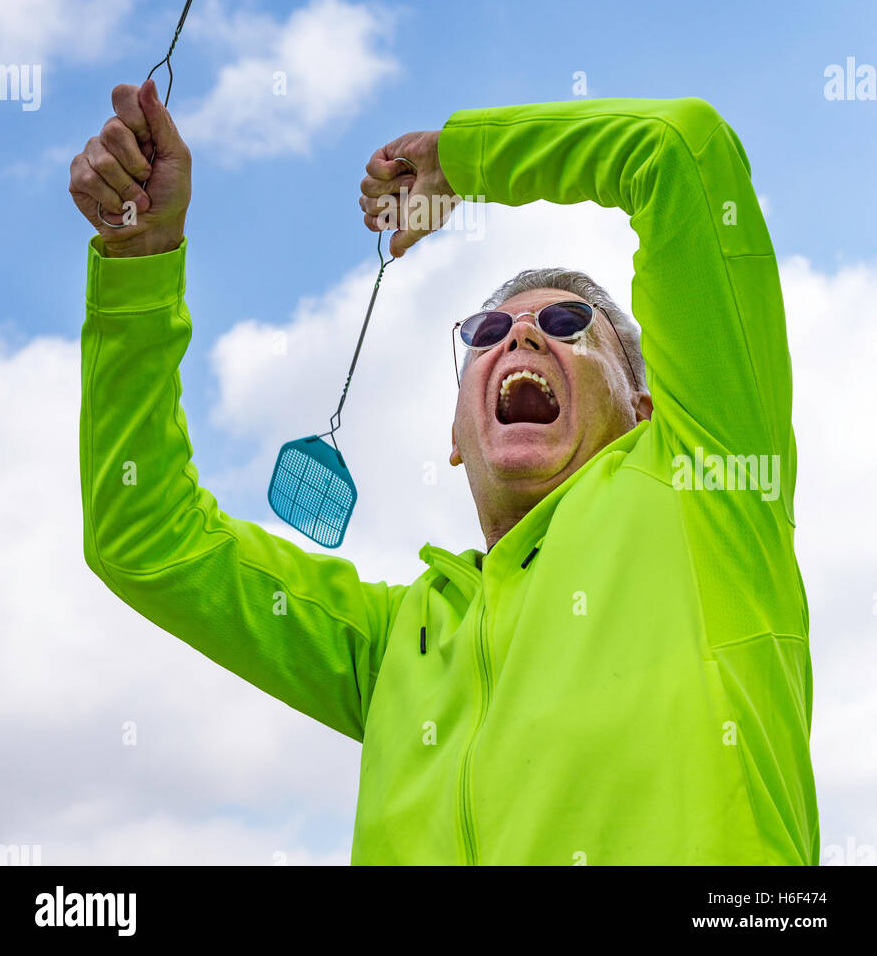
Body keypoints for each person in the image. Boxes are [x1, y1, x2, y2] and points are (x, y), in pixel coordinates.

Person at [70, 81, 819, 866]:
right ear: (457, 432)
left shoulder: (710, 487)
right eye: (488, 331)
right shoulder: (396, 642)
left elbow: (679, 150)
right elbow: (146, 536)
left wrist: (465, 163)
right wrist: (137, 264)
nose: (521, 336)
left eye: (566, 323)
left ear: (645, 407)